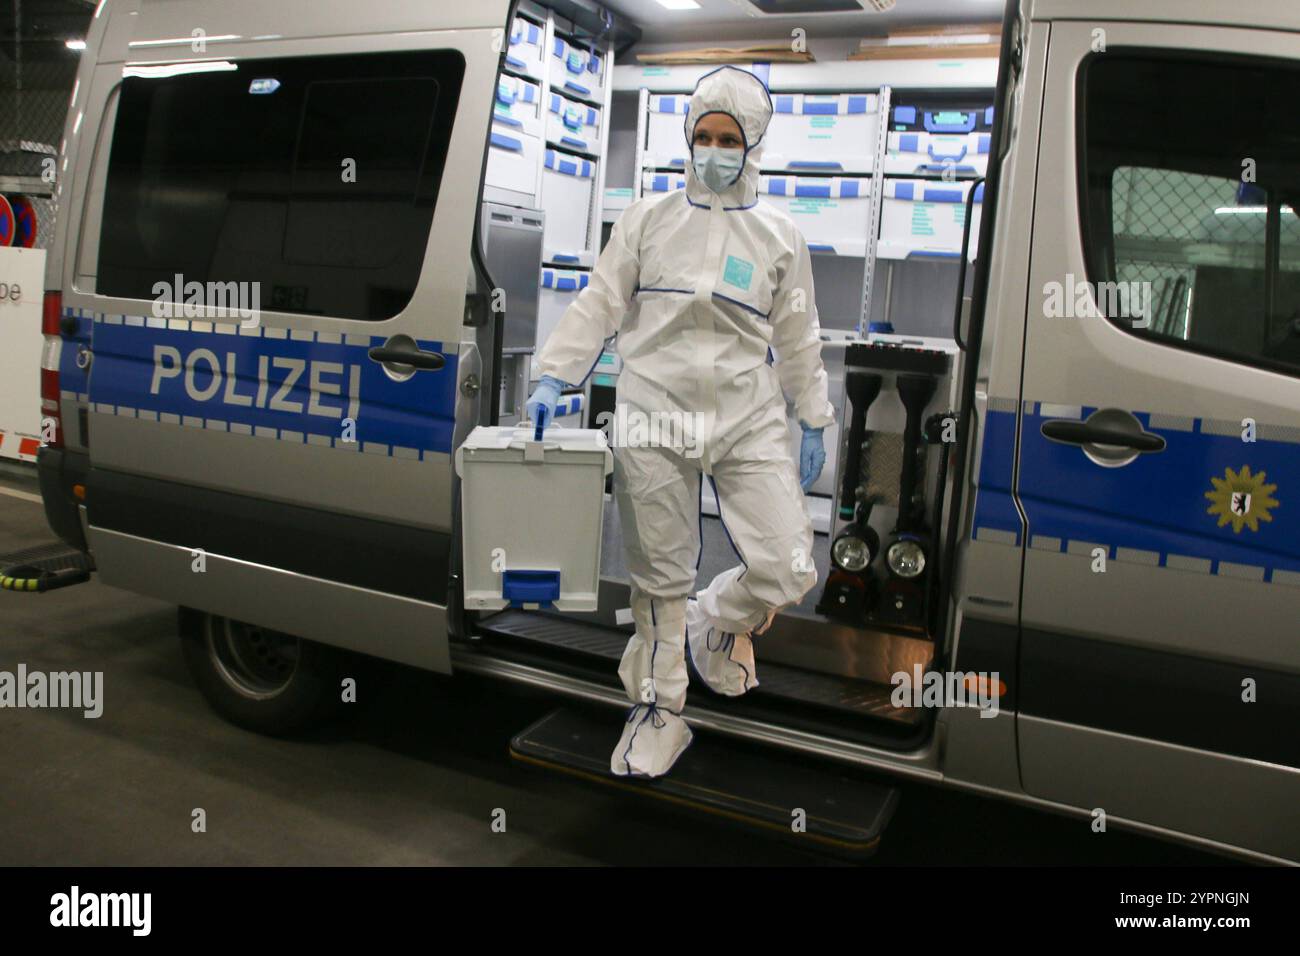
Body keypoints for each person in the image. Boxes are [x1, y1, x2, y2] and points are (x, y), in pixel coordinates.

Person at [526, 66, 835, 778]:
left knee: (788, 563)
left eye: (729, 138)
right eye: (703, 136)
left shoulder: (780, 236)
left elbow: (798, 336)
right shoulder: (648, 219)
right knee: (658, 572)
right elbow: (600, 302)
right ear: (688, 140)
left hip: (745, 417)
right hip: (652, 412)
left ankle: (717, 621)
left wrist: (813, 417)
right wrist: (554, 375)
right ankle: (660, 709)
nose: (714, 149)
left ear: (753, 144)